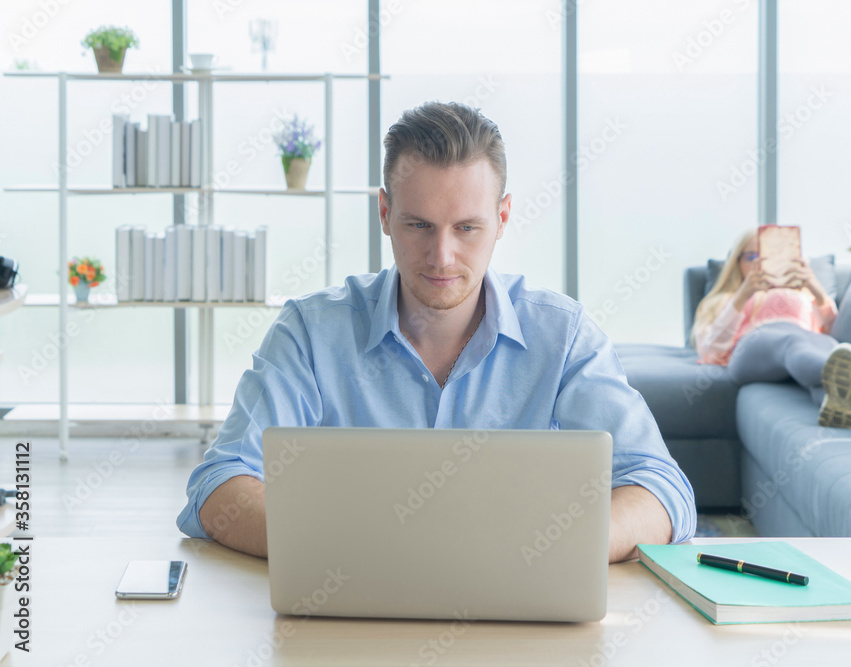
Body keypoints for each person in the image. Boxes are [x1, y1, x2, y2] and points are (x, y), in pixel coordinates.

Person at [177, 101, 696, 562]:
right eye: (419, 225)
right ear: (385, 214)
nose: (442, 256)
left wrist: (549, 552)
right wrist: (353, 552)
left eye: (466, 228)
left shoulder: (563, 338)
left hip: (519, 613)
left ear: (503, 218)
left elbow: (660, 488)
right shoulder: (311, 333)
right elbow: (220, 485)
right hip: (347, 608)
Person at [691, 230, 851, 428]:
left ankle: (850, 413)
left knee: (827, 349)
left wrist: (815, 288)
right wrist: (743, 295)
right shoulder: (727, 299)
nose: (761, 264)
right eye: (752, 257)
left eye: (770, 256)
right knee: (793, 343)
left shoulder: (803, 295)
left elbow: (834, 329)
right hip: (756, 345)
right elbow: (710, 350)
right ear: (736, 263)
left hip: (806, 343)